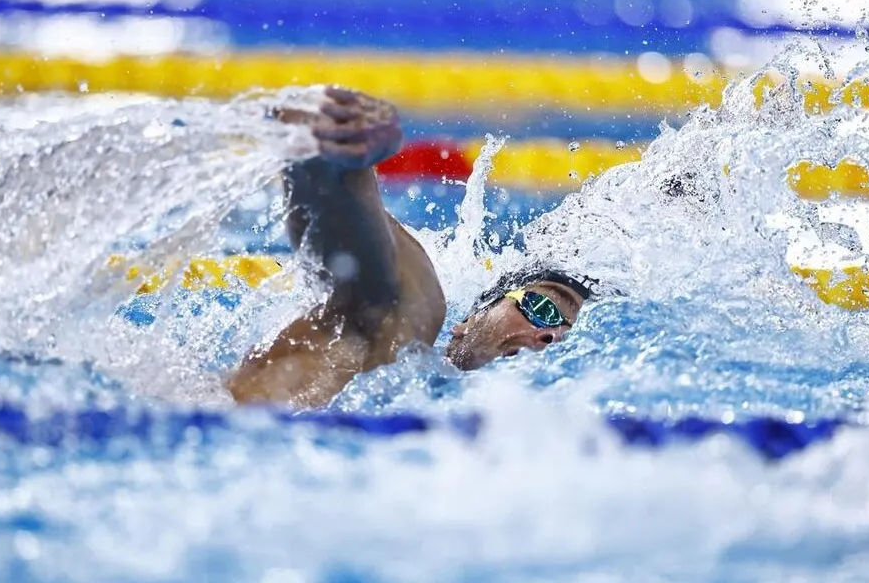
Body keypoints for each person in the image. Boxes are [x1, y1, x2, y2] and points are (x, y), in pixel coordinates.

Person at [227, 86, 609, 409]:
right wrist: (340, 157)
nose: (552, 338)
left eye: (566, 338)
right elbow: (364, 279)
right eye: (542, 309)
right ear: (469, 321)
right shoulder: (409, 327)